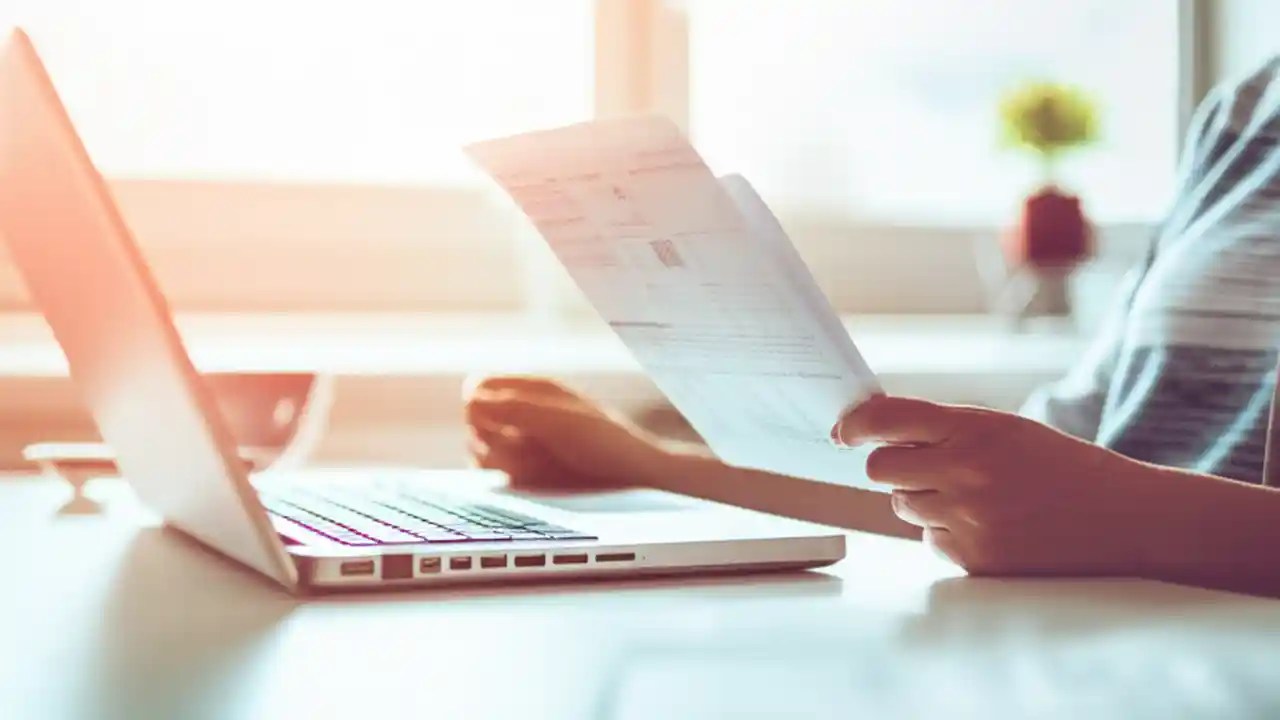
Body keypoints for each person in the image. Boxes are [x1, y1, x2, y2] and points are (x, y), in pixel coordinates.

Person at [464, 55, 1280, 596]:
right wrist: (646, 466)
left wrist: (1135, 517)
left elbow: (1103, 507)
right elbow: (999, 499)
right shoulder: (1245, 116)